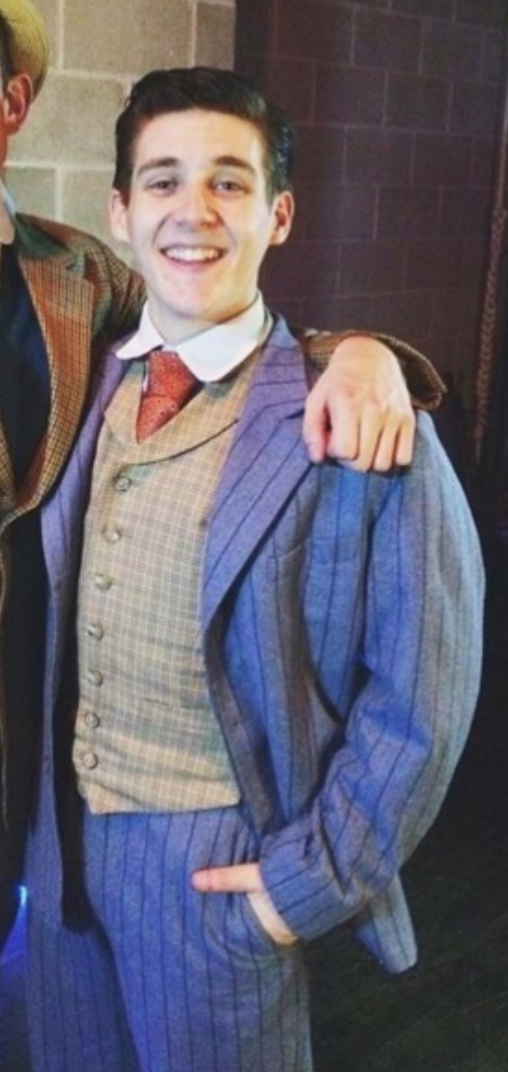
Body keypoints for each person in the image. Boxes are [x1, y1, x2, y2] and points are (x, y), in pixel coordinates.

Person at [24, 67, 484, 1072]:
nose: (193, 211)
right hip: (56, 866)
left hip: (219, 873)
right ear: (120, 211)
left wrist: (299, 888)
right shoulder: (81, 373)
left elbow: (424, 697)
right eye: (163, 180)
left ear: (279, 215)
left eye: (228, 182)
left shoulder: (357, 416)